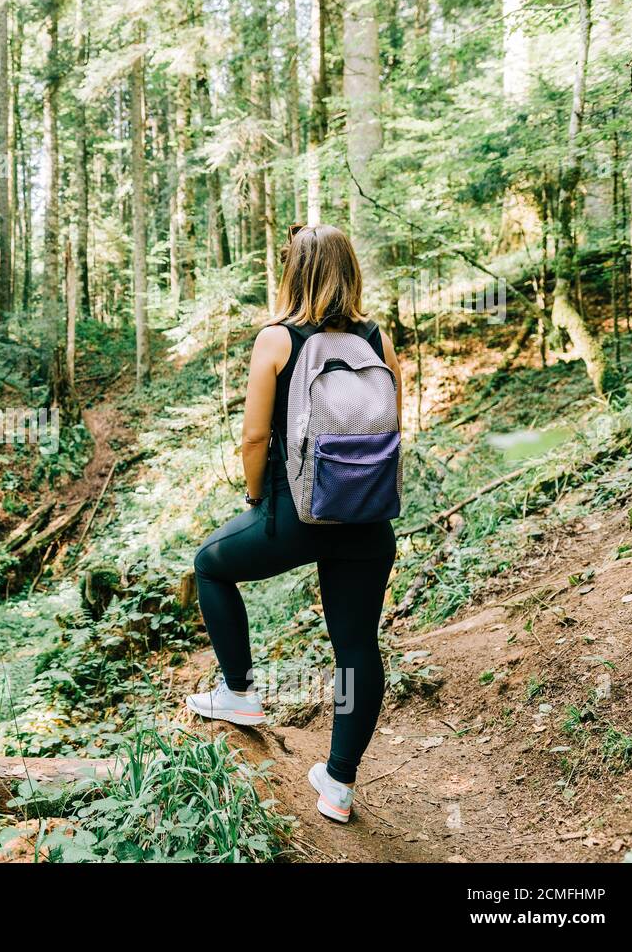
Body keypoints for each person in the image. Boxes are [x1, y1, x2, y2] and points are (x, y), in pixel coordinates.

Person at [186, 223, 402, 824]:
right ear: (349, 268)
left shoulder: (277, 339)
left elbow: (256, 436)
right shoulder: (377, 341)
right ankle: (338, 783)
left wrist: (259, 499)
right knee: (356, 646)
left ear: (292, 270)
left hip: (298, 514)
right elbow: (390, 429)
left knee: (209, 564)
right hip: (366, 521)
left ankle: (238, 692)